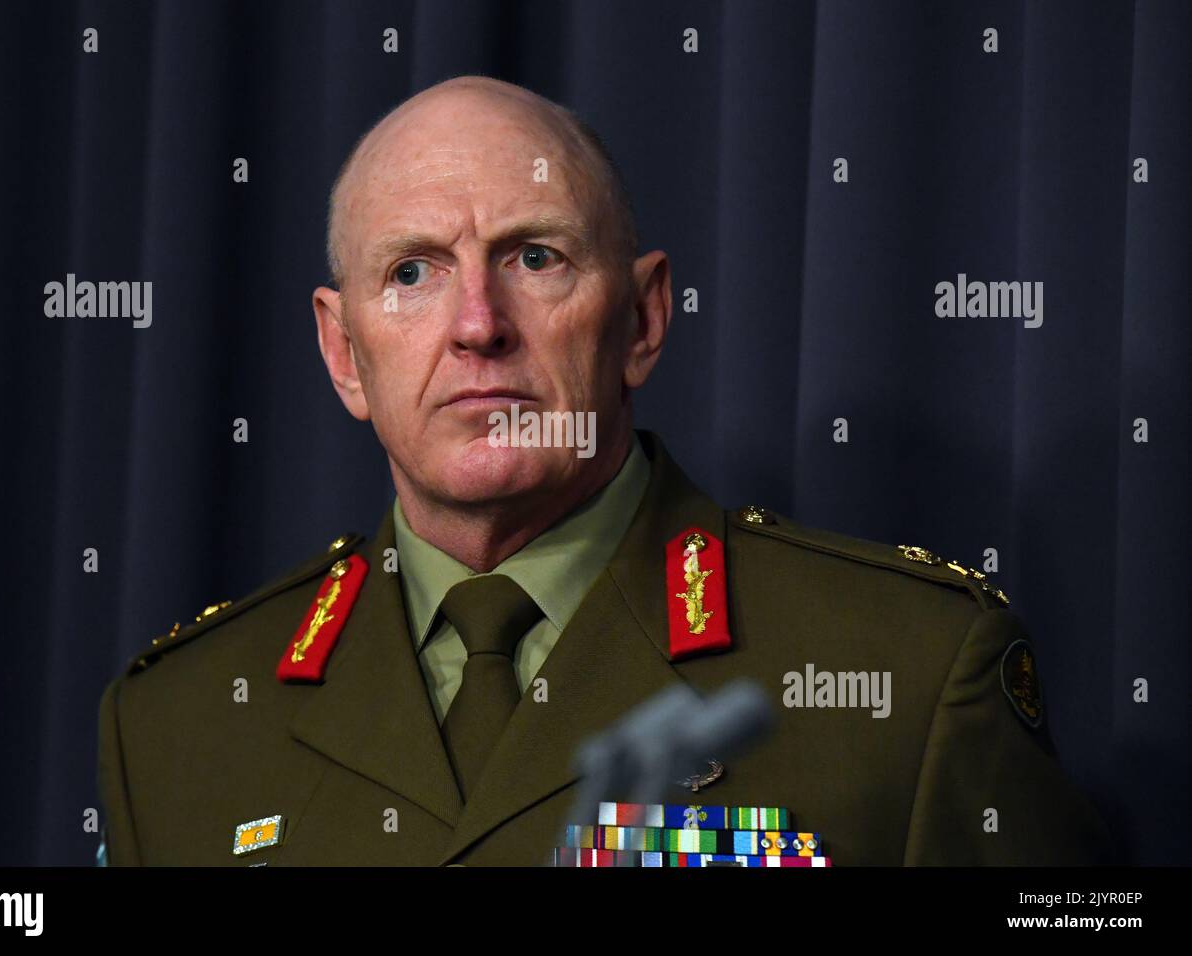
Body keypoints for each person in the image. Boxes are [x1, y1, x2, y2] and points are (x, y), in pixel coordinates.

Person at [97, 75, 1109, 866]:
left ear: (643, 316)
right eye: (411, 272)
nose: (477, 325)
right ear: (342, 352)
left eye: (535, 257)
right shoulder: (174, 730)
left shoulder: (914, 675)